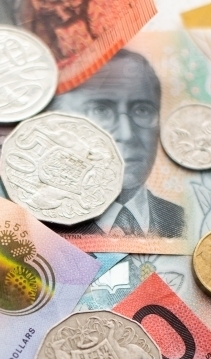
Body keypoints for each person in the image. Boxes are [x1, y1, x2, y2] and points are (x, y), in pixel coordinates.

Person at [49, 49, 185, 238]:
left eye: (142, 110)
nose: (126, 134)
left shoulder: (184, 222)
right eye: (100, 111)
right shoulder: (36, 226)